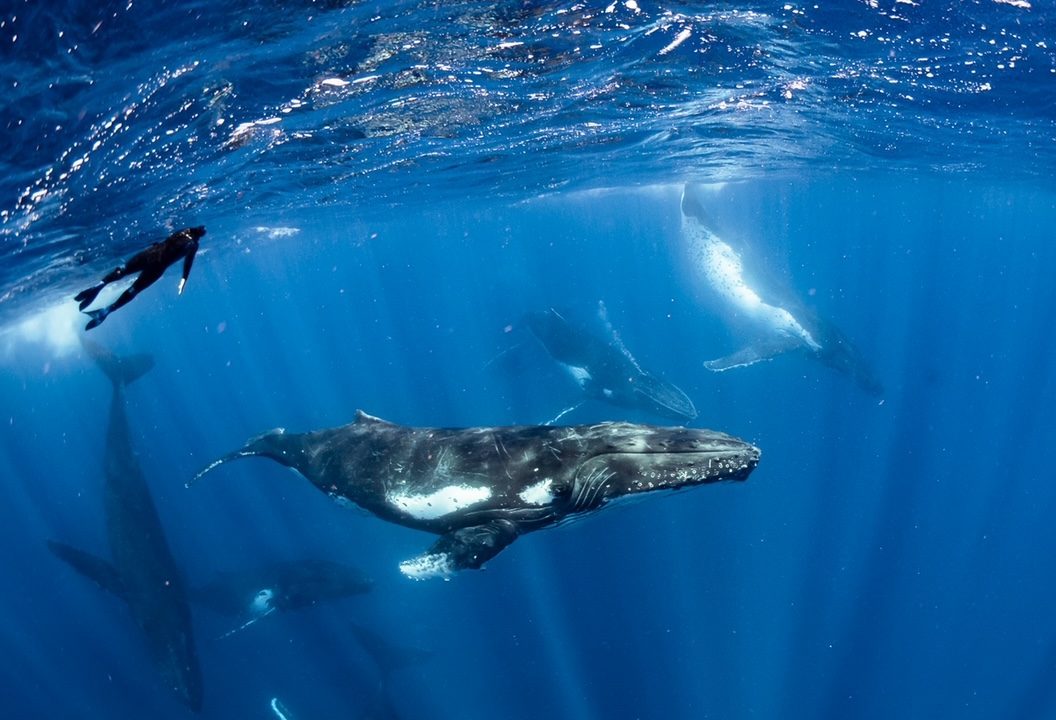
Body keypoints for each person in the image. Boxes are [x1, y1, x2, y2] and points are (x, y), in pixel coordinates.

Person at [74, 226, 205, 330]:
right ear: (199, 236)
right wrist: (184, 279)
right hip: (158, 267)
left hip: (150, 253)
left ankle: (99, 286)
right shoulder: (193, 244)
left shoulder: (183, 231)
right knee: (134, 289)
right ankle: (108, 310)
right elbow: (188, 263)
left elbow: (167, 240)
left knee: (123, 270)